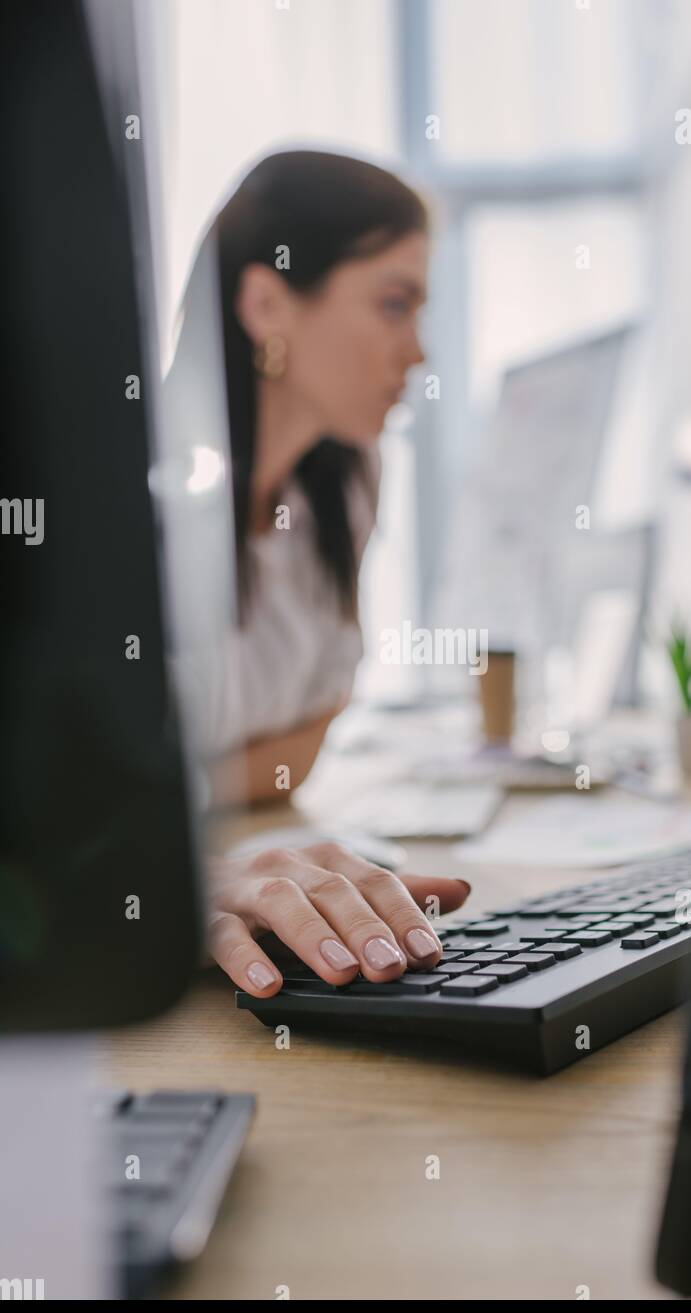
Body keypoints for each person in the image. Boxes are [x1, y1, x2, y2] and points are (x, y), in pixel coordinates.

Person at [167, 150, 472, 995]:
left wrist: (170, 781)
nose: (417, 351)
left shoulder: (346, 484)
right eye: (392, 304)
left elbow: (302, 751)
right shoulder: (125, 502)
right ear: (267, 304)